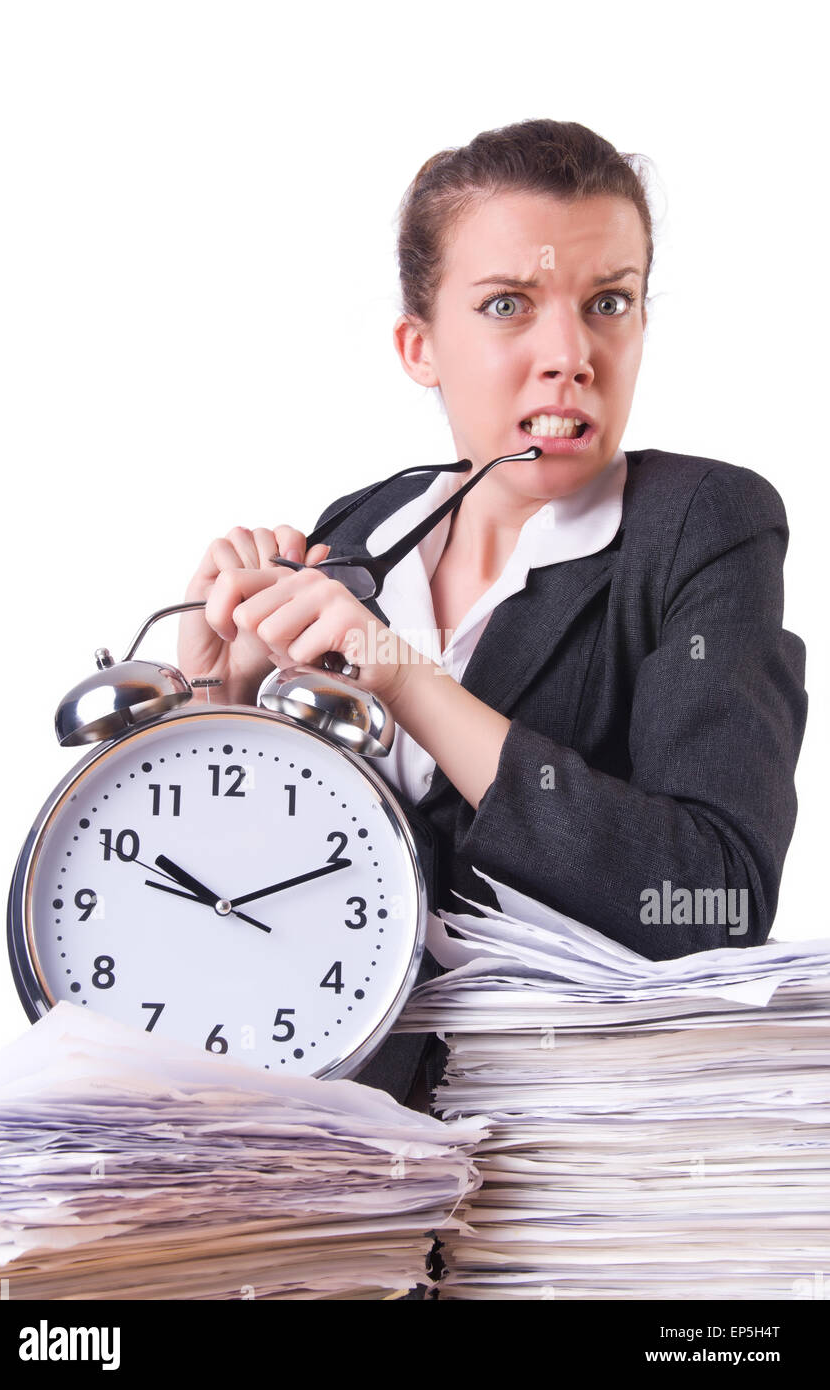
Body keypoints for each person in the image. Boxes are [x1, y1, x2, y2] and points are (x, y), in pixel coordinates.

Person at [177, 118, 807, 1118]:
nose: (571, 355)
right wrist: (222, 695)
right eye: (509, 305)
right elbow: (230, 902)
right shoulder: (363, 530)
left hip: (553, 1152)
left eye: (610, 302)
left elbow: (714, 900)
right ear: (419, 347)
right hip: (308, 1122)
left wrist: (408, 680)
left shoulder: (701, 527)